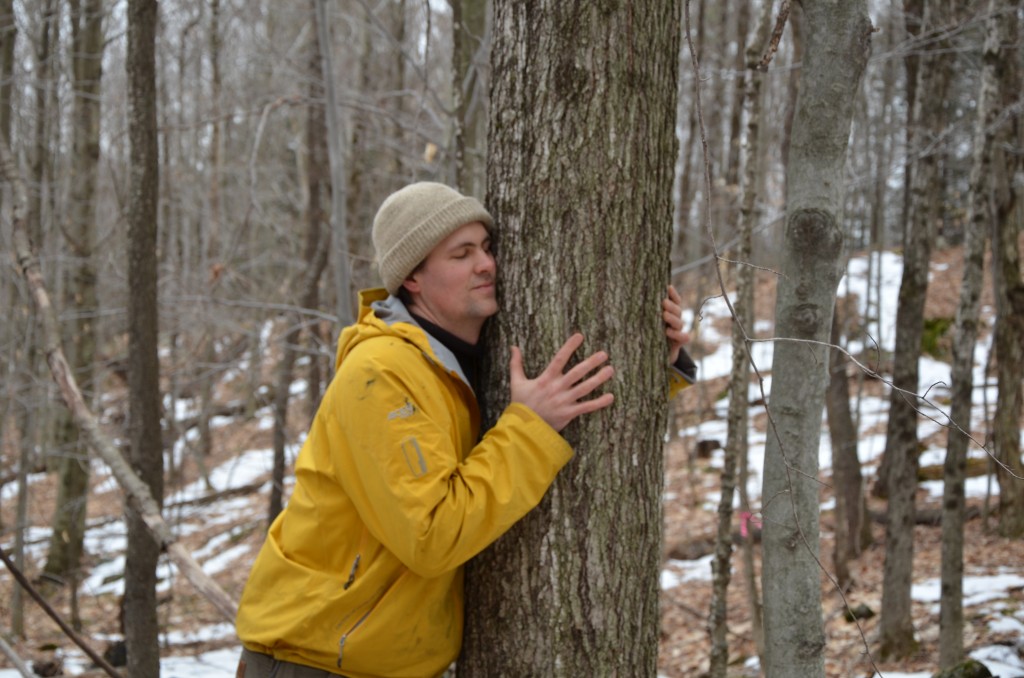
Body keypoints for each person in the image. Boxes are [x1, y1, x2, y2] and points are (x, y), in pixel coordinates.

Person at [235, 182, 696, 678]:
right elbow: (433, 533)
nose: (487, 264)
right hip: (312, 662)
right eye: (462, 253)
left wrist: (653, 360)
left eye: (487, 248)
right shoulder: (382, 372)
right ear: (412, 276)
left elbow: (551, 437)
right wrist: (530, 426)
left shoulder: (460, 362)